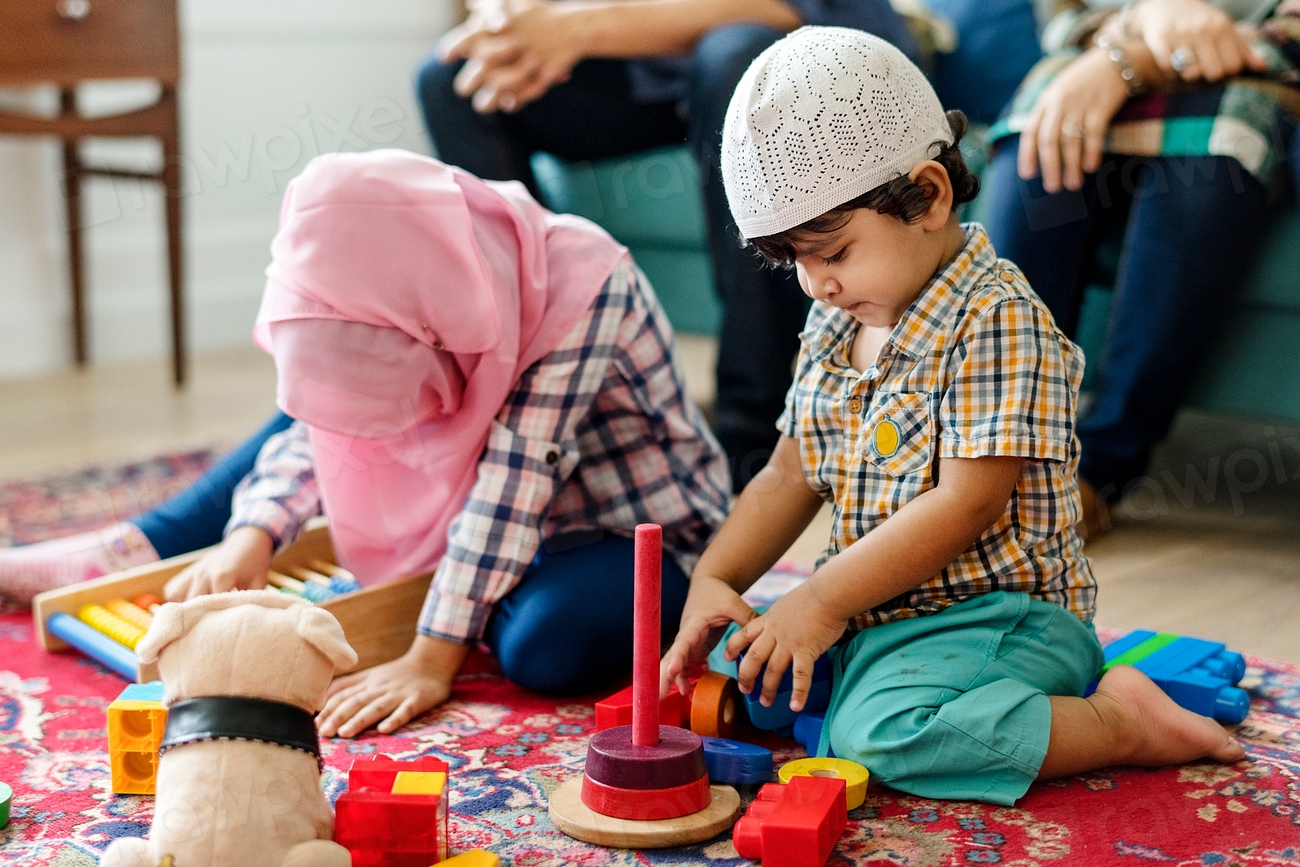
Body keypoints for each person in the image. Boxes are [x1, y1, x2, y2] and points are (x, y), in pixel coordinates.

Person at [660, 28, 1244, 805]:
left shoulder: (996, 318)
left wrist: (822, 600)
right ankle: (855, 674)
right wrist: (715, 577)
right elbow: (790, 470)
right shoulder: (835, 320)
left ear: (930, 195)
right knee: (744, 657)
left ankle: (1118, 719)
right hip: (881, 610)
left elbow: (967, 502)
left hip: (1003, 620)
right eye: (792, 260)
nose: (814, 284)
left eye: (833, 253)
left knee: (880, 734)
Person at [3, 150, 730, 739]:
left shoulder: (583, 285)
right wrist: (254, 534)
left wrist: (430, 658)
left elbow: (512, 488)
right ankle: (143, 544)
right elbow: (322, 427)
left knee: (546, 647)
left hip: (628, 532)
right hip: (501, 515)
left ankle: (480, 596)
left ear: (432, 331)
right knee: (329, 411)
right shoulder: (376, 286)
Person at [419, 0, 920, 488]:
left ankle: (750, 430)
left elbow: (793, 11)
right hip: (644, 65)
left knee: (735, 54)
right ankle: (551, 396)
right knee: (453, 79)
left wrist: (581, 27)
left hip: (778, 49)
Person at [982, 0, 1300, 536]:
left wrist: (1128, 62)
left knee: (1210, 159)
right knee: (1037, 145)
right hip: (1085, 72)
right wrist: (1140, 24)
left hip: (1244, 80)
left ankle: (1097, 471)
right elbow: (1062, 19)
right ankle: (989, 454)